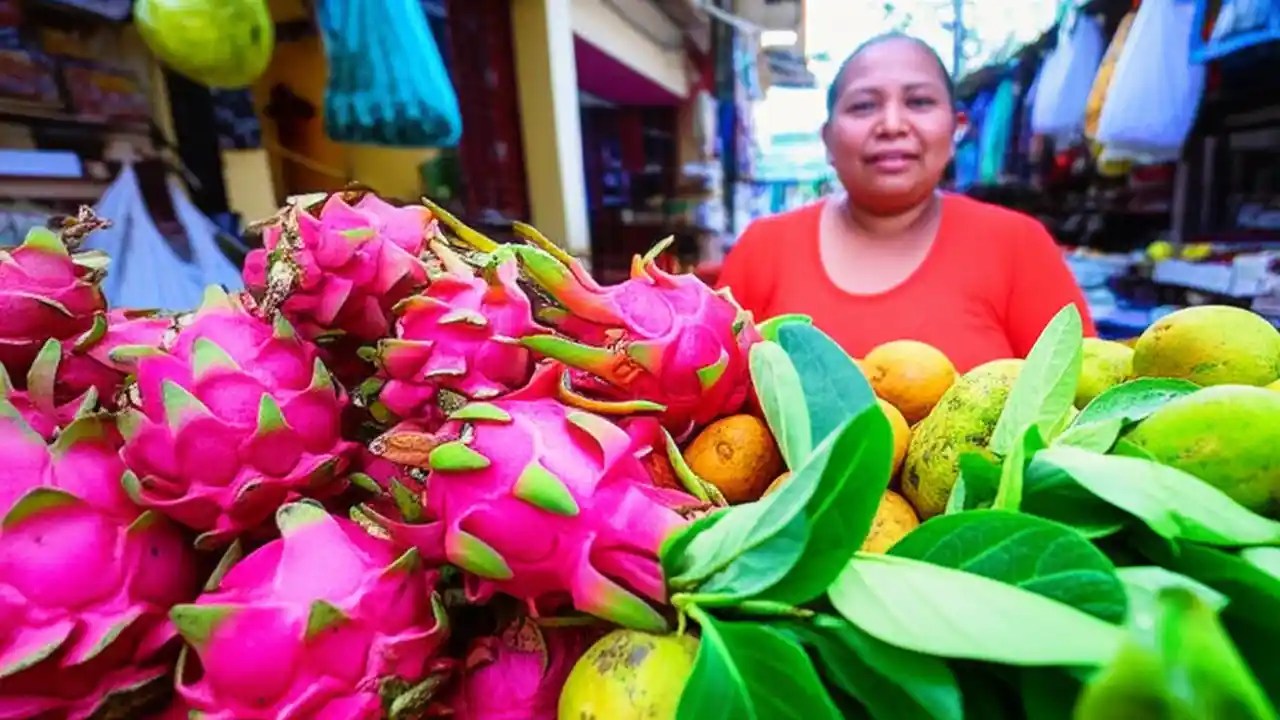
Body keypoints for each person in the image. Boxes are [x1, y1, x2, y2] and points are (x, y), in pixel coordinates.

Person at [717, 33, 1095, 371]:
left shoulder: (1018, 244)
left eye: (919, 101)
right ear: (828, 139)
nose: (892, 125)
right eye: (864, 106)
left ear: (956, 128)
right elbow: (708, 405)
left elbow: (1083, 397)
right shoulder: (763, 248)